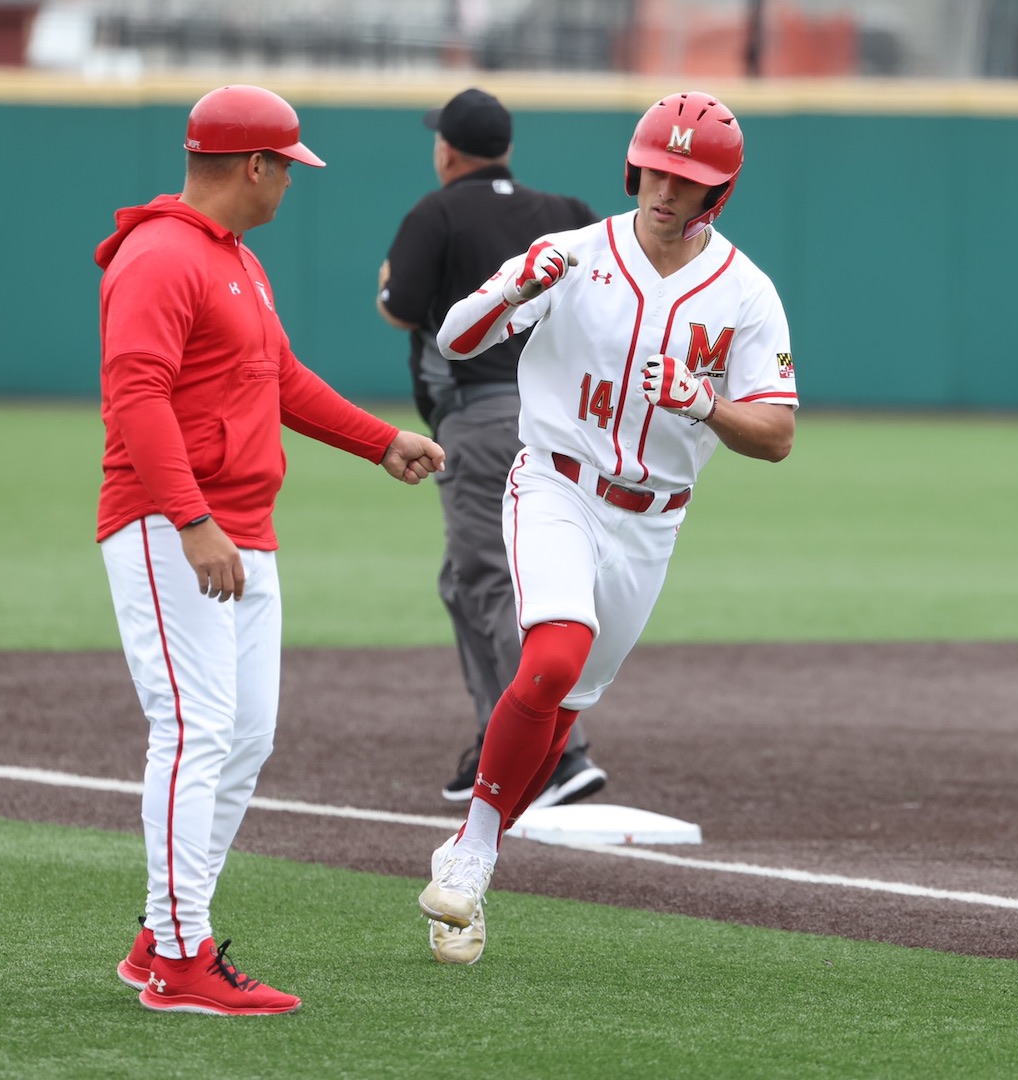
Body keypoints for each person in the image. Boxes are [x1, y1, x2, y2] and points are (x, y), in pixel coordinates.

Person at [418, 90, 797, 965]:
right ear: (635, 167)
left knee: (561, 713)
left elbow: (776, 435)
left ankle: (468, 853)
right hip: (554, 483)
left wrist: (704, 400)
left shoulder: (745, 291)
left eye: (687, 178)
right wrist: (516, 283)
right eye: (656, 170)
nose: (666, 189)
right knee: (550, 657)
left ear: (719, 193)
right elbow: (455, 339)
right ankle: (474, 853)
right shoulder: (575, 254)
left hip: (651, 522)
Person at [96, 84, 445, 1015]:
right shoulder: (160, 255)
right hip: (173, 526)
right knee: (194, 731)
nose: (292, 182)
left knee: (246, 739)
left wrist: (380, 441)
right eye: (287, 165)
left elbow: (279, 378)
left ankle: (162, 932)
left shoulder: (235, 260)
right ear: (254, 164)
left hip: (245, 529)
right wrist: (191, 518)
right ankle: (179, 955)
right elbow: (136, 398)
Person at [375, 88, 607, 813]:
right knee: (466, 579)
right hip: (566, 424)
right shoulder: (567, 213)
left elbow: (401, 307)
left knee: (489, 580)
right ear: (504, 147)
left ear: (447, 148)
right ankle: (493, 737)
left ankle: (555, 756)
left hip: (482, 420)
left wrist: (388, 285)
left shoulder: (435, 211)